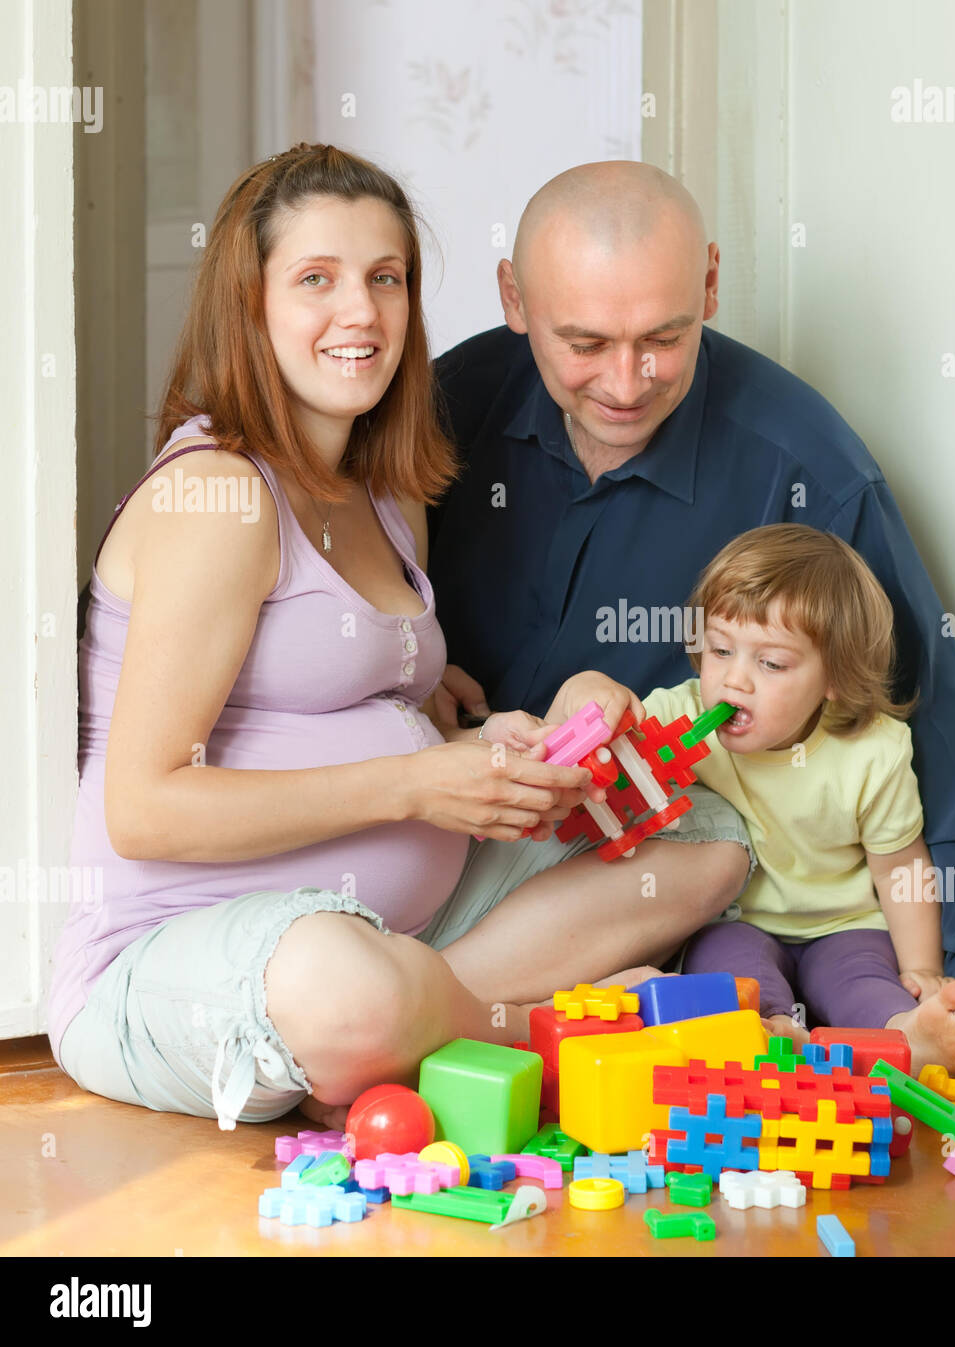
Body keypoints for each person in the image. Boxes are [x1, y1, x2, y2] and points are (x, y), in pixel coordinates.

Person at [49, 144, 753, 1134]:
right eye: (315, 280)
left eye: (387, 278)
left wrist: (525, 745)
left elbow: (401, 731)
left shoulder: (385, 495)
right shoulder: (217, 496)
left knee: (701, 841)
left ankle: (427, 1027)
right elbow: (145, 808)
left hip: (404, 922)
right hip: (180, 952)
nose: (362, 313)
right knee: (343, 984)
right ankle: (517, 1030)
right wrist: (415, 785)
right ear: (249, 306)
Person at [426, 159, 955, 1067]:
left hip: (638, 877)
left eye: (663, 337)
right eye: (585, 344)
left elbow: (925, 715)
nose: (626, 382)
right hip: (457, 821)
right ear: (514, 298)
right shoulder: (443, 405)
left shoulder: (809, 466)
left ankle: (424, 1015)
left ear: (709, 283)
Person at [636, 523, 955, 1072]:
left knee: (860, 984)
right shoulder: (678, 719)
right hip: (736, 920)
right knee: (727, 975)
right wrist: (592, 692)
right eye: (720, 649)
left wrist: (923, 967)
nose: (735, 681)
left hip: (844, 926)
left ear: (834, 677)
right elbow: (619, 741)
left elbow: (900, 867)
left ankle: (907, 1037)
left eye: (771, 664)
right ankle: (773, 1034)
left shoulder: (873, 752)